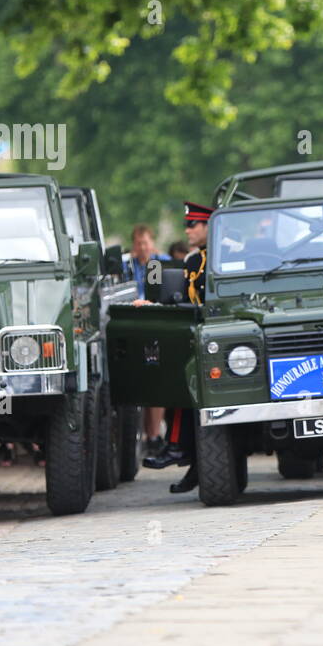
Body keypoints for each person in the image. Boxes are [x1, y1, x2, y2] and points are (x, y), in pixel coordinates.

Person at [142, 201, 214, 493]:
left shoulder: (226, 256)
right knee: (170, 376)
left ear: (209, 227)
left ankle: (176, 446)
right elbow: (184, 298)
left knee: (188, 384)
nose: (188, 230)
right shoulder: (193, 261)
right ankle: (186, 455)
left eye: (193, 225)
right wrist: (156, 304)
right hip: (196, 335)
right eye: (187, 225)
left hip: (219, 337)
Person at [126, 223, 172, 451]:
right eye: (138, 243)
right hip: (133, 327)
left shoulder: (157, 263)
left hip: (153, 326)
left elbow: (156, 295)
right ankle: (143, 435)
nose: (142, 248)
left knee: (154, 380)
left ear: (151, 243)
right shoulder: (128, 265)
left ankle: (154, 434)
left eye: (145, 243)